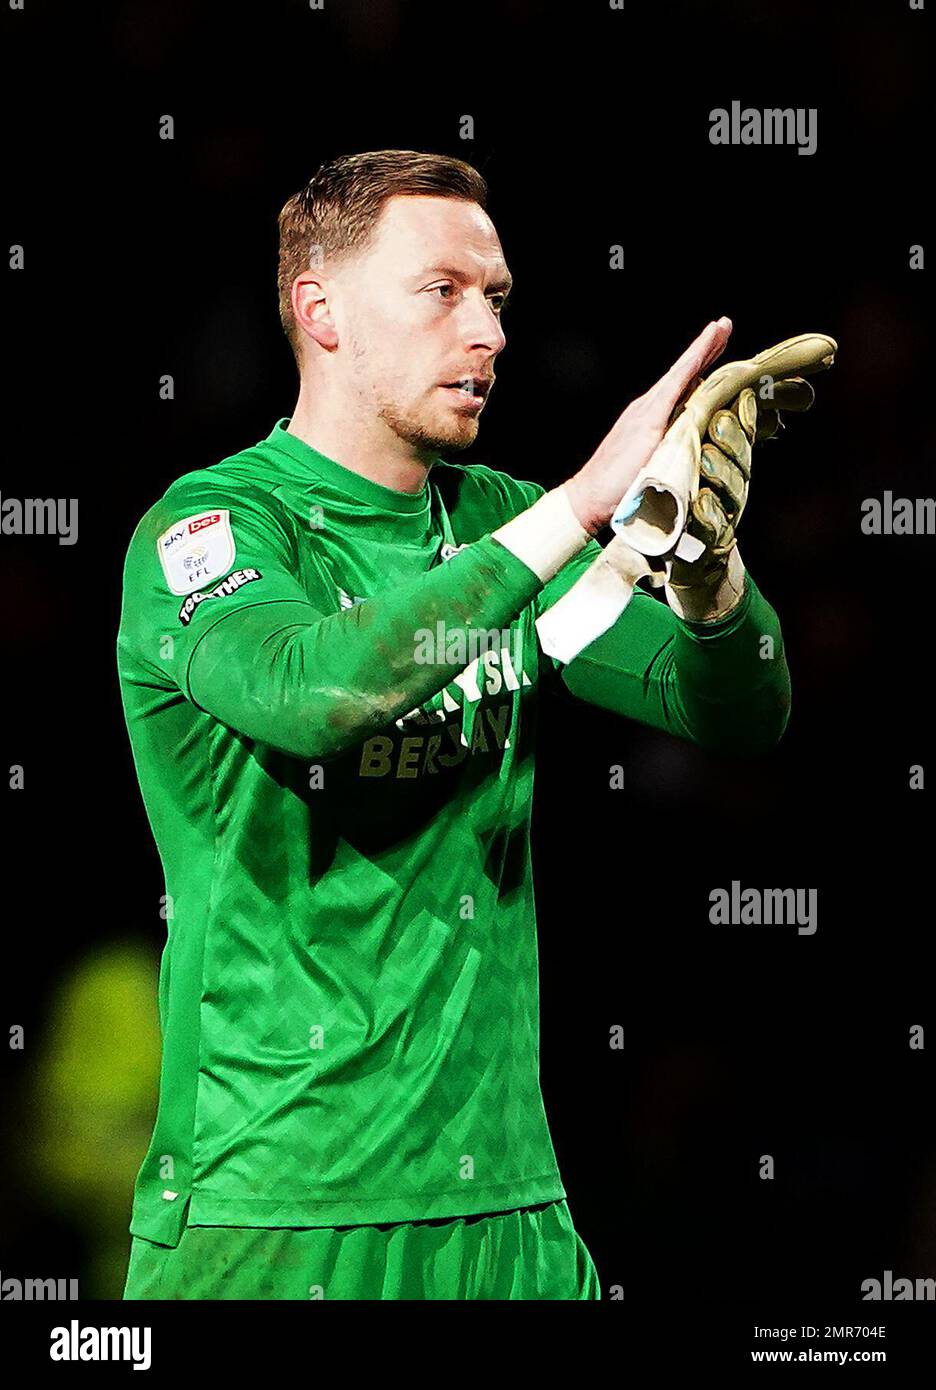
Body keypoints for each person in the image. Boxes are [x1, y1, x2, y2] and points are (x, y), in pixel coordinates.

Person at [118, 148, 788, 1300]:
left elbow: (736, 711)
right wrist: (581, 509)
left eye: (498, 299)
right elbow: (314, 695)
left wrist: (709, 574)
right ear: (317, 311)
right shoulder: (214, 527)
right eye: (443, 292)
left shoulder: (500, 521)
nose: (488, 332)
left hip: (510, 1215)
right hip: (276, 1214)